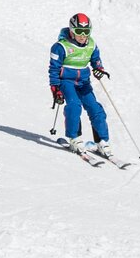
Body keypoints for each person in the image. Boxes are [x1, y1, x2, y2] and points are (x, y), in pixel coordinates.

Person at [49, 12, 115, 160]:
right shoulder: (60, 47)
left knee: (96, 109)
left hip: (84, 82)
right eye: (79, 31)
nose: (83, 35)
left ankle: (102, 142)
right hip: (66, 81)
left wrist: (99, 69)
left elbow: (96, 60)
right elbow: (53, 69)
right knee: (74, 106)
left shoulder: (91, 44)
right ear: (72, 30)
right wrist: (55, 88)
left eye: (86, 31)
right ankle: (75, 138)